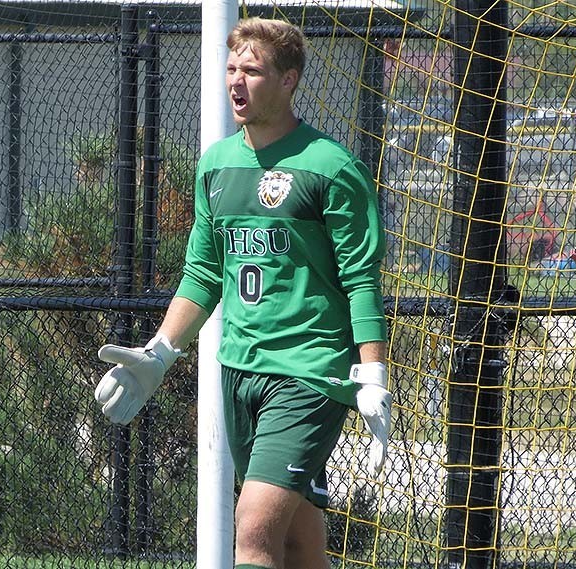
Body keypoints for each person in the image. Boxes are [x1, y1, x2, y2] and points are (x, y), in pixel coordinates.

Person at [94, 17, 391, 569]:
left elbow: (361, 279)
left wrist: (372, 374)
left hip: (309, 374)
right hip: (238, 371)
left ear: (289, 80)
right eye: (231, 68)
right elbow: (203, 274)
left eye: (252, 71)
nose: (236, 81)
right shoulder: (217, 164)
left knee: (252, 534)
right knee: (300, 543)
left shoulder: (331, 167)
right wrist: (158, 354)